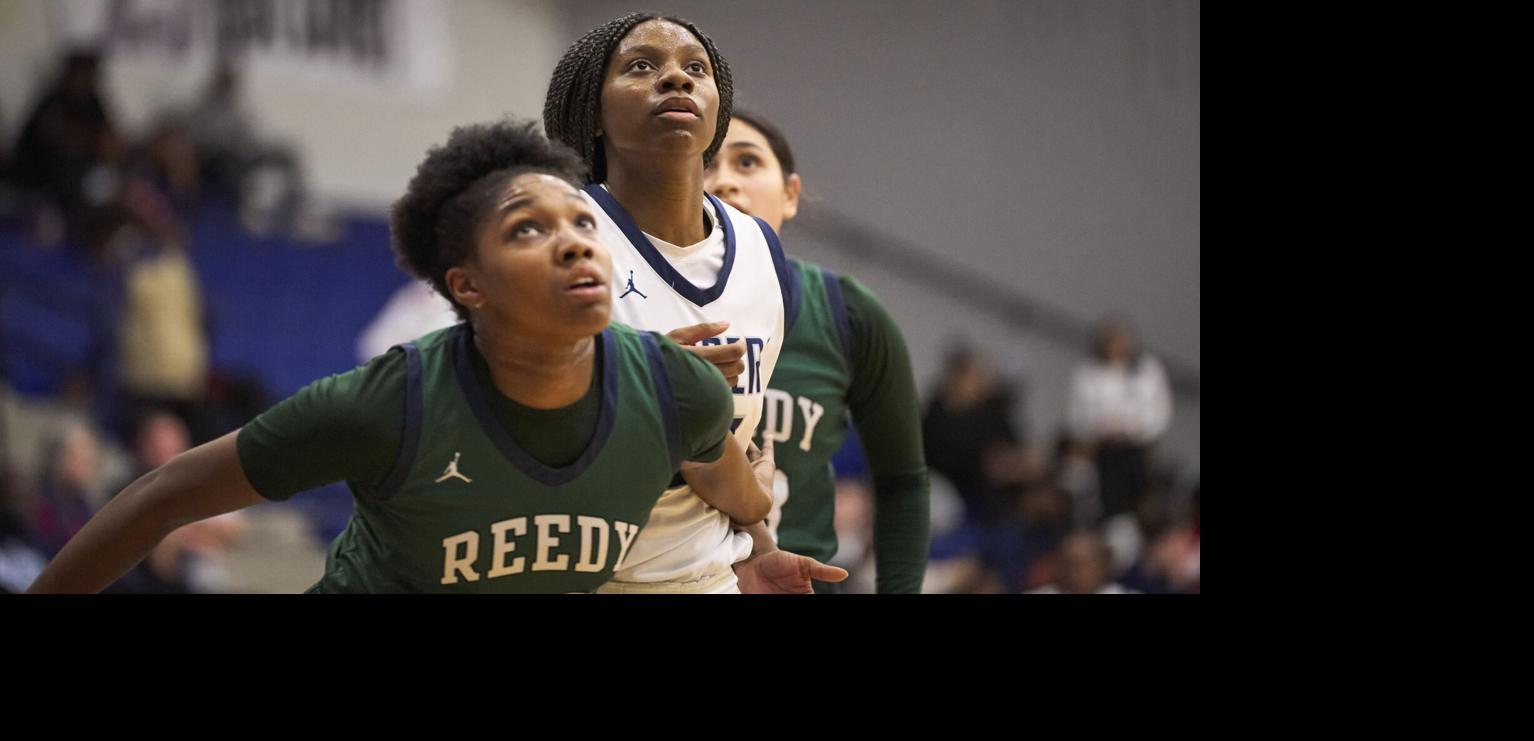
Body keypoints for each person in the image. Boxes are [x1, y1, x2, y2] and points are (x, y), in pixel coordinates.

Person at [29, 119, 767, 593]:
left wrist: (762, 544)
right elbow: (162, 495)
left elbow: (730, 482)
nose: (576, 240)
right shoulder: (390, 404)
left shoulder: (676, 390)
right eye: (526, 229)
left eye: (582, 220)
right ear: (465, 285)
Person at [543, 12, 844, 594]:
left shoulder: (759, 248)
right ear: (594, 112)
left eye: (695, 69)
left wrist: (757, 547)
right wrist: (642, 392)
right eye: (641, 66)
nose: (675, 79)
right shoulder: (561, 234)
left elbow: (734, 435)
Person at [703, 110, 930, 593]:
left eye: (746, 162)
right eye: (704, 164)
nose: (723, 181)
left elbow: (902, 481)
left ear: (790, 195)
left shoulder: (848, 313)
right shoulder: (637, 308)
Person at [1064, 315, 1172, 519]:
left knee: (1142, 503)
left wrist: (1133, 430)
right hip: (1101, 450)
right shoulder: (1088, 372)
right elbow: (1077, 415)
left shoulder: (1147, 370)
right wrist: (1099, 430)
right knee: (1102, 502)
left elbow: (1159, 412)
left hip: (1137, 449)